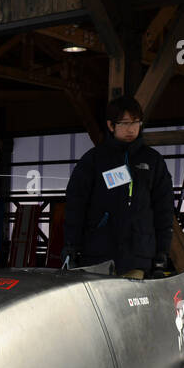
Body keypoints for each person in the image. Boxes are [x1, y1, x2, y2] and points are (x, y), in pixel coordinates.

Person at [63, 95, 175, 278]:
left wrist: (162, 251)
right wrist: (71, 245)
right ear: (110, 125)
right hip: (97, 256)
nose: (131, 128)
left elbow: (164, 209)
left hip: (137, 256)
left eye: (135, 122)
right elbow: (75, 205)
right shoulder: (93, 160)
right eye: (124, 123)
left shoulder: (153, 161)